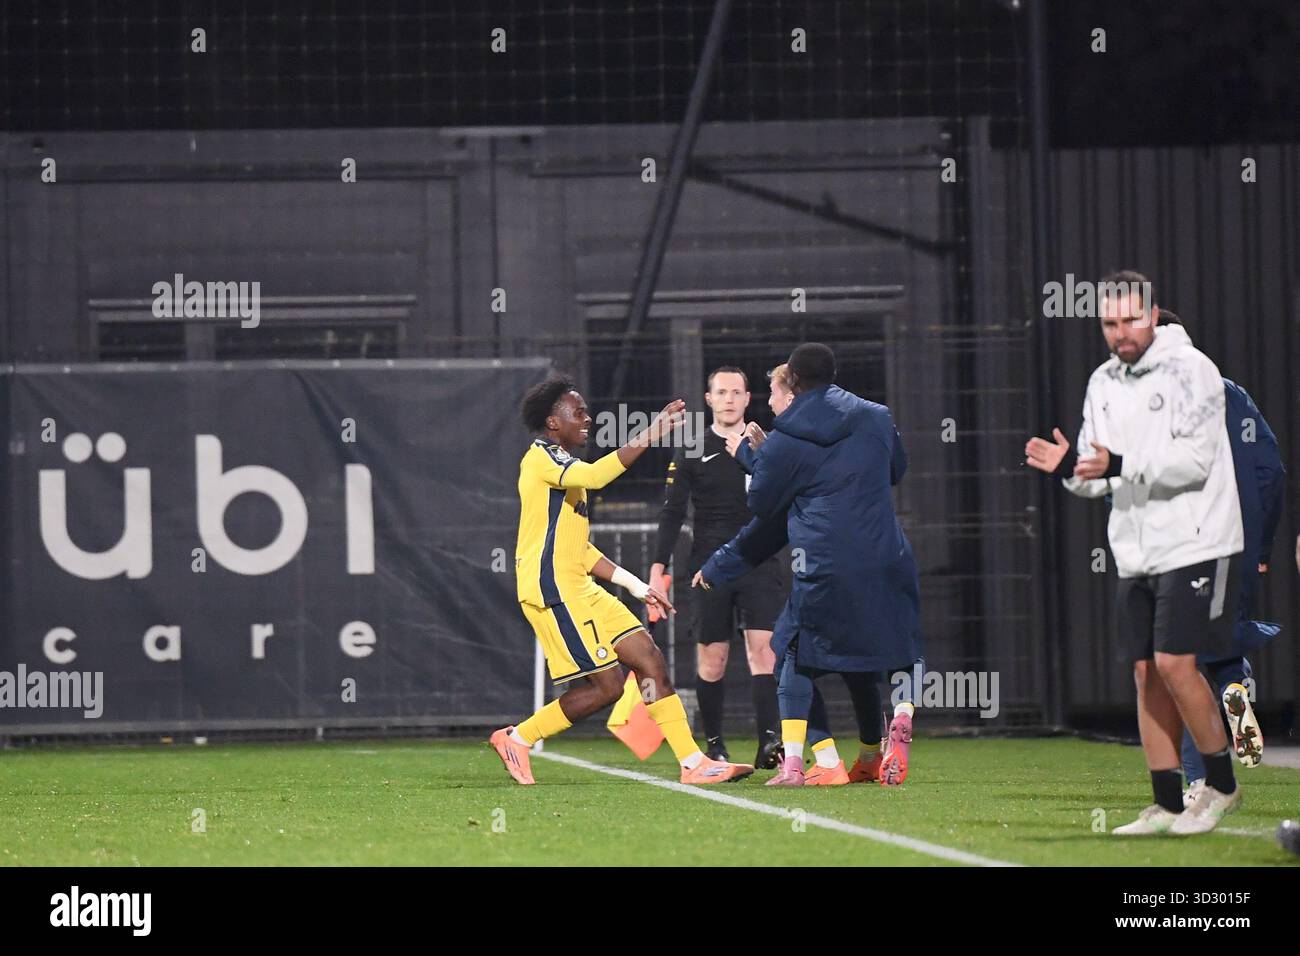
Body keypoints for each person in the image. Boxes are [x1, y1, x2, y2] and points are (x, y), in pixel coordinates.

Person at [1026, 272, 1243, 834]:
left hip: (1197, 537)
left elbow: (1195, 461)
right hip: (1135, 549)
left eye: (1128, 320)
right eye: (1108, 323)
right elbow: (1098, 472)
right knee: (1146, 673)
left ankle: (1221, 785)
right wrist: (1070, 467)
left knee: (1175, 664)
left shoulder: (1194, 370)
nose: (1119, 333)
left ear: (1151, 316)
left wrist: (1119, 465)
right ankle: (1168, 803)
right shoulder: (1102, 380)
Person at [489, 377, 753, 785]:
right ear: (552, 423)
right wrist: (652, 432)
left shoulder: (563, 468)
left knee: (648, 658)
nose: (587, 418)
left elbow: (582, 550)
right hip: (552, 590)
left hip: (579, 585)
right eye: (577, 412)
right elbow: (597, 476)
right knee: (608, 685)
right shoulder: (541, 459)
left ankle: (692, 763)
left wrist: (637, 586)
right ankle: (518, 738)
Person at [693, 344, 922, 787]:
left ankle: (808, 762)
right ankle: (897, 722)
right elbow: (896, 468)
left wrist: (751, 457)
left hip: (824, 563)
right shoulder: (875, 416)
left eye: (774, 392)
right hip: (886, 556)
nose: (771, 401)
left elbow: (762, 503)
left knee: (791, 654)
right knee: (902, 651)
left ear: (792, 384)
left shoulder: (785, 441)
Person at [649, 367, 788, 769]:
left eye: (736, 392)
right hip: (708, 565)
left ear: (748, 399)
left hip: (761, 561)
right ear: (708, 399)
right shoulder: (692, 447)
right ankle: (715, 745)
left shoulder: (766, 445)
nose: (728, 398)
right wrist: (659, 567)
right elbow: (672, 512)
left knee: (765, 653)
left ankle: (769, 744)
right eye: (720, 392)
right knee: (713, 658)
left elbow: (785, 498)